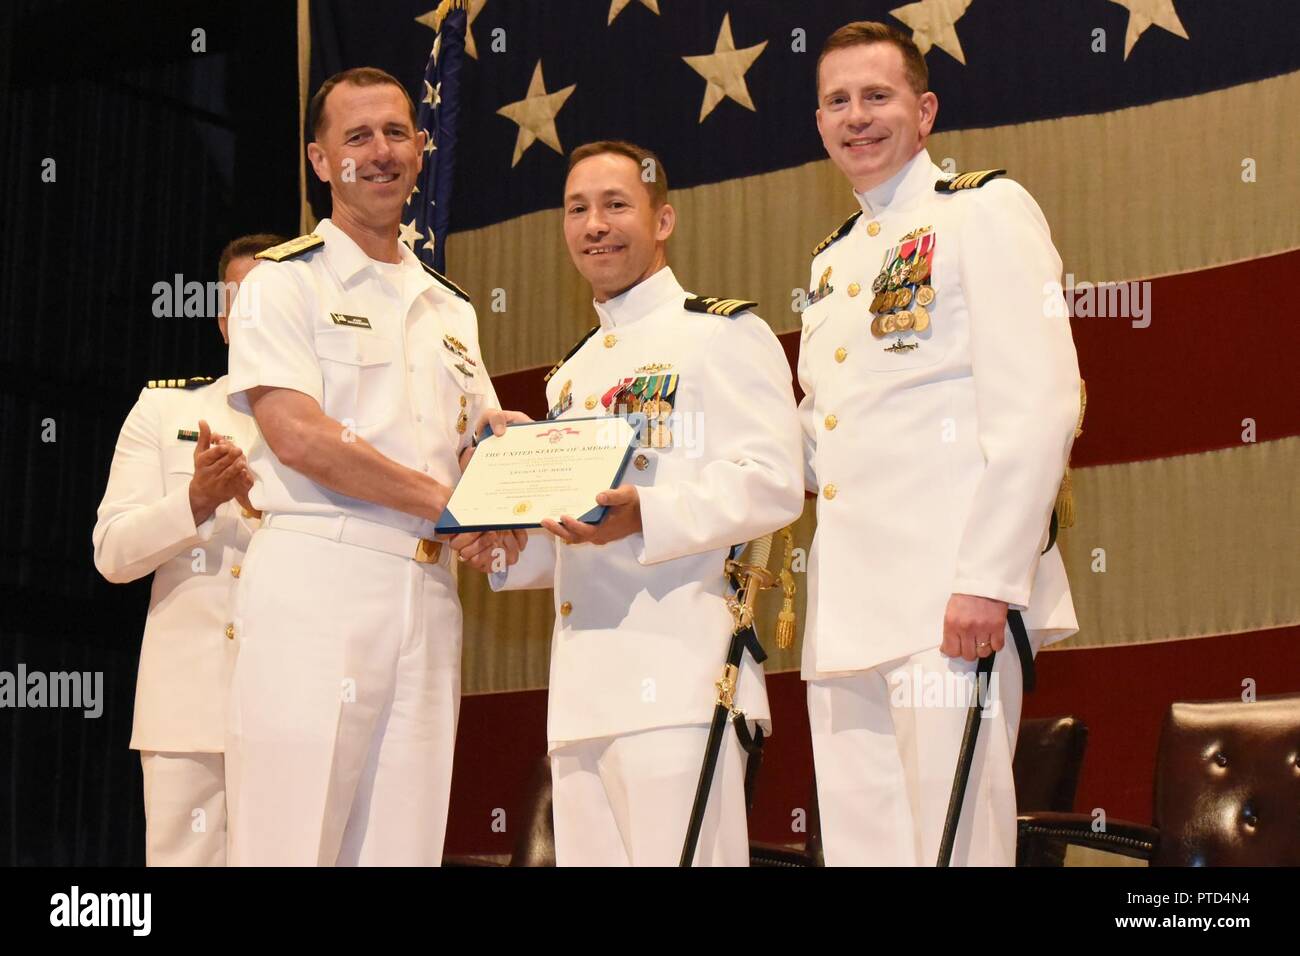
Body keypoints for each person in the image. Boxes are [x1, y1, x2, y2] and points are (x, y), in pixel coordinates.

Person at [458, 141, 803, 866]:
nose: (595, 225)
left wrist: (649, 510)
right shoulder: (572, 375)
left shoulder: (720, 334)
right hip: (583, 698)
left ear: (663, 218)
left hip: (679, 683)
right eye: (578, 209)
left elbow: (774, 479)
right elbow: (584, 531)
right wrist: (506, 546)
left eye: (616, 205)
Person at [798, 21, 1083, 866]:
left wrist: (988, 580)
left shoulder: (983, 211)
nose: (857, 117)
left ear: (924, 111)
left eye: (877, 97)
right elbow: (825, 438)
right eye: (837, 101)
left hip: (949, 605)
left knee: (959, 850)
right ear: (818, 123)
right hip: (848, 615)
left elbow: (1040, 403)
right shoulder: (832, 264)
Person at [222, 67, 519, 866]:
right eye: (356, 137)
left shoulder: (450, 306)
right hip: (321, 582)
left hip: (427, 593)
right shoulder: (283, 284)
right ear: (320, 161)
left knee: (405, 845)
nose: (379, 153)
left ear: (421, 148)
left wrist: (508, 471)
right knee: (292, 842)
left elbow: (470, 443)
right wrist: (450, 500)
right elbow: (299, 437)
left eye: (395, 133)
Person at [92, 231, 284, 866]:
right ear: (221, 319)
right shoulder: (163, 406)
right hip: (189, 702)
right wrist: (196, 501)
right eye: (237, 300)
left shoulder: (335, 425)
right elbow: (113, 553)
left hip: (294, 695)